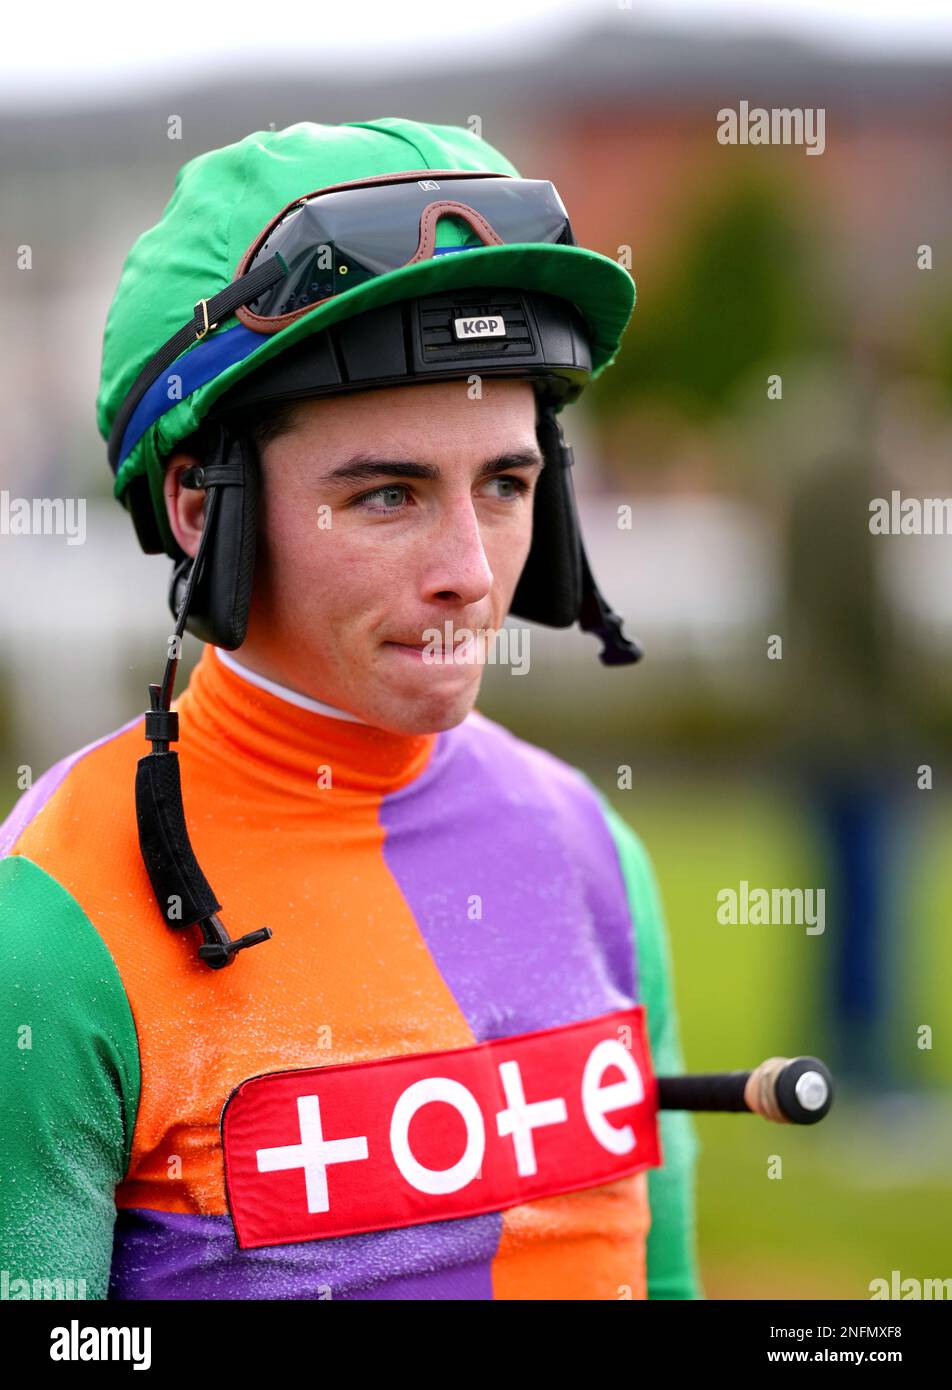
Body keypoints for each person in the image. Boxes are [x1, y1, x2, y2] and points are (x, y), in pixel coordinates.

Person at [0, 117, 701, 1301]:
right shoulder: (51, 932)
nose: (472, 571)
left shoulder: (594, 849)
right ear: (196, 505)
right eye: (387, 493)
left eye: (506, 482)